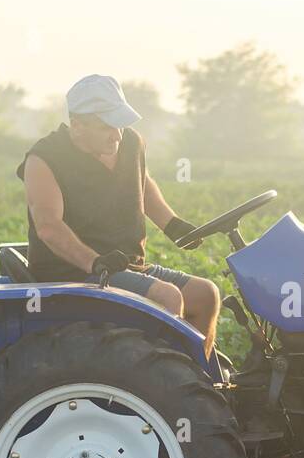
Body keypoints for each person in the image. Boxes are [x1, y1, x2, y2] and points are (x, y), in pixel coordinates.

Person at [16, 74, 220, 357]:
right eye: (106, 127)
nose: (117, 134)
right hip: (73, 273)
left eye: (120, 124)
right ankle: (163, 390)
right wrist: (95, 263)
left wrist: (172, 225)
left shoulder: (129, 143)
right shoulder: (43, 159)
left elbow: (142, 183)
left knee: (204, 295)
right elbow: (48, 226)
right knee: (167, 297)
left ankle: (197, 381)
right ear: (77, 126)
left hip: (125, 265)